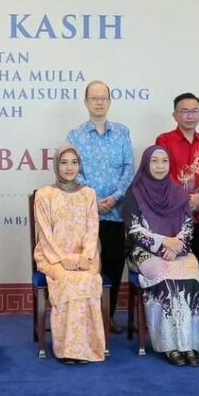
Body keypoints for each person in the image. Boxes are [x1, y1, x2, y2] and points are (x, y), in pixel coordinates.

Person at [124, 145, 199, 366]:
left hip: (179, 250)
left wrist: (177, 246)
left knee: (191, 278)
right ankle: (171, 345)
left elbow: (189, 225)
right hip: (144, 252)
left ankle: (191, 345)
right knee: (166, 279)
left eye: (164, 161)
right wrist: (163, 244)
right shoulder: (135, 192)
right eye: (154, 161)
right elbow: (134, 230)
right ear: (146, 163)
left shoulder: (178, 192)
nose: (160, 166)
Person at [66, 81, 134, 333]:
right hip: (85, 212)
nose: (98, 102)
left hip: (116, 211)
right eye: (93, 98)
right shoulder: (75, 135)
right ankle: (87, 316)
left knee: (115, 262)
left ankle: (109, 314)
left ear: (109, 102)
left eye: (103, 98)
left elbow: (129, 167)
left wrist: (115, 197)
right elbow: (72, 170)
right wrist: (94, 200)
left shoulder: (122, 132)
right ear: (85, 102)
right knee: (87, 263)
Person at [33, 144, 106, 363]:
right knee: (67, 280)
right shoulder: (45, 195)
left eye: (74, 162)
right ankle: (68, 350)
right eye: (64, 162)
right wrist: (62, 259)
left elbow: (93, 230)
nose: (69, 168)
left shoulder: (88, 194)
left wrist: (86, 256)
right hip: (52, 257)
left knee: (88, 278)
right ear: (56, 165)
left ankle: (89, 348)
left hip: (86, 256)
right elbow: (45, 234)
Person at [156, 92, 199, 291]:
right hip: (173, 215)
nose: (190, 116)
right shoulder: (164, 141)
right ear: (175, 115)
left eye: (194, 111)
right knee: (174, 264)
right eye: (185, 111)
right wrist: (185, 199)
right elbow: (162, 173)